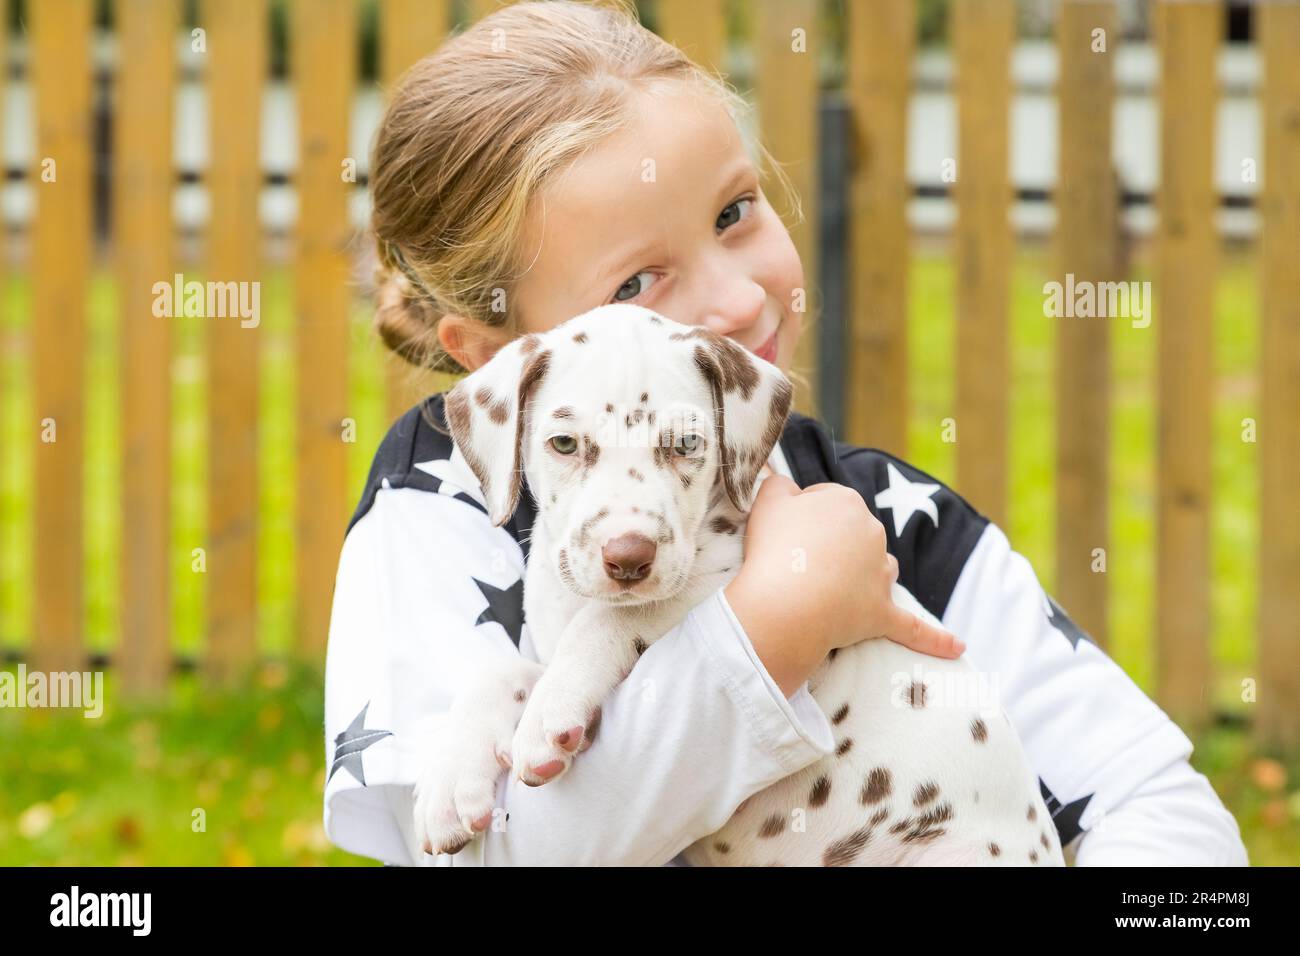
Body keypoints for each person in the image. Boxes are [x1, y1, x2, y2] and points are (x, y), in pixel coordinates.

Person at [323, 0, 1247, 866]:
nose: (737, 298)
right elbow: (483, 852)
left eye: (734, 212)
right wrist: (776, 629)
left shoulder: (894, 525)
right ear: (496, 350)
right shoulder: (430, 513)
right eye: (636, 285)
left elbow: (1161, 810)